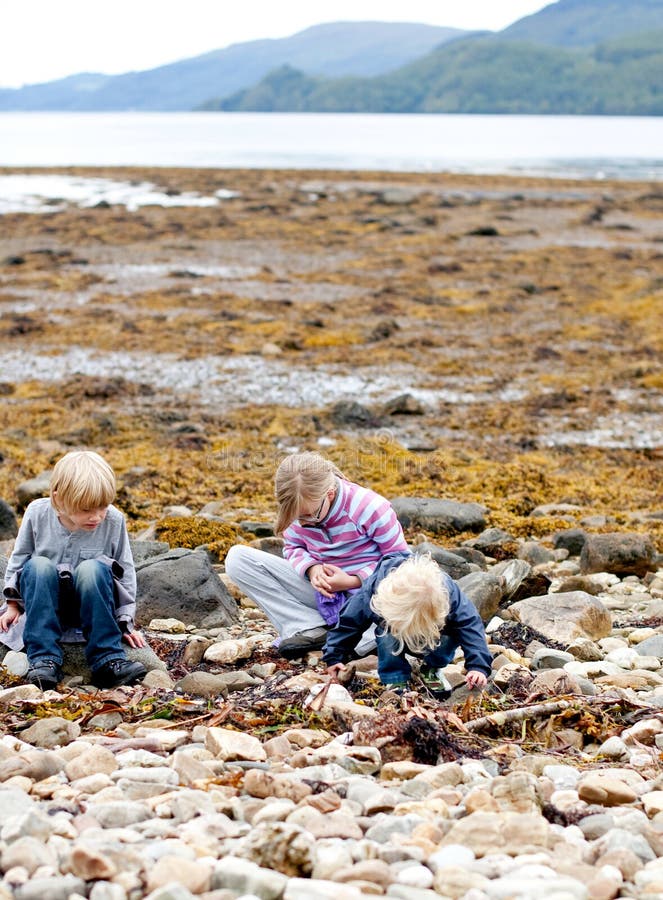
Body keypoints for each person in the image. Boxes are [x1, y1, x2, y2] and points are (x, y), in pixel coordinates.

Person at [225, 451, 409, 658]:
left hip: (367, 596)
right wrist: (312, 569)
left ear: (329, 494)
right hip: (325, 596)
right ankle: (309, 627)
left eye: (309, 515)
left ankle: (362, 637)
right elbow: (293, 547)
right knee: (237, 558)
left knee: (400, 602)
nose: (303, 523)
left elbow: (400, 560)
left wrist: (353, 581)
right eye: (296, 517)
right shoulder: (297, 508)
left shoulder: (369, 507)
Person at [0, 450, 147, 691]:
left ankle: (107, 660)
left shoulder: (114, 520)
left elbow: (126, 572)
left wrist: (125, 622)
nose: (97, 516)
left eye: (103, 506)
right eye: (87, 509)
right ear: (59, 500)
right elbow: (19, 559)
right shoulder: (37, 513)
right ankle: (44, 659)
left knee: (93, 569)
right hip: (43, 607)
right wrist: (12, 606)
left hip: (92, 610)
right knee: (38, 565)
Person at [323, 552, 492, 695]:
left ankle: (432, 668)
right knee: (386, 635)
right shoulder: (373, 590)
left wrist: (478, 666)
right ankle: (395, 677)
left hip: (434, 632)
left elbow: (470, 626)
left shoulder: (450, 597)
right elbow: (348, 622)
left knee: (450, 636)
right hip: (392, 629)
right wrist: (334, 656)